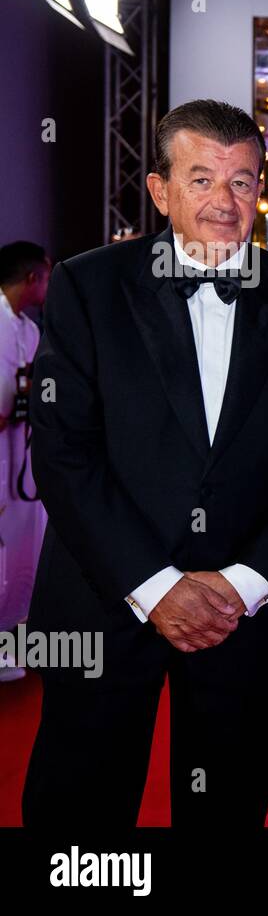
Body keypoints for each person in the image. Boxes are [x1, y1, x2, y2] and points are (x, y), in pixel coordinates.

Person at [22, 99, 268, 827]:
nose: (224, 202)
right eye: (201, 179)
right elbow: (63, 453)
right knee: (78, 820)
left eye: (242, 181)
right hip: (105, 605)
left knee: (228, 811)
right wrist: (156, 586)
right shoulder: (87, 286)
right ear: (160, 189)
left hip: (246, 620)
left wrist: (242, 583)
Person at [0, 241, 51, 682]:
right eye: (48, 277)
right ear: (33, 277)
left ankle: (11, 650)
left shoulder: (32, 332)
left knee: (24, 554)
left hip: (22, 467)